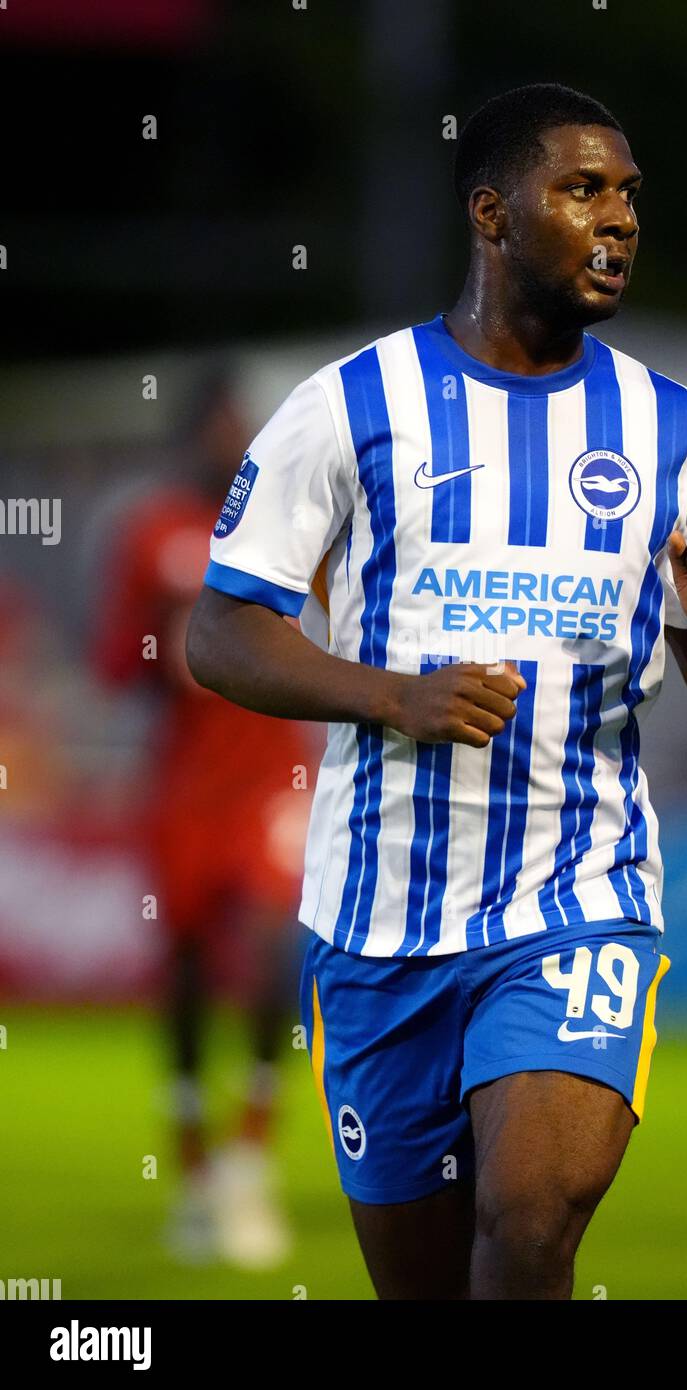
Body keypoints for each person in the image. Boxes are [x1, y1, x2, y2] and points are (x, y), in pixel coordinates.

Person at [185, 83, 687, 1299]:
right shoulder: (350, 404)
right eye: (582, 190)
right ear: (493, 215)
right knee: (428, 1280)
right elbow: (221, 629)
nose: (618, 219)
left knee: (530, 1218)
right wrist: (392, 695)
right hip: (378, 924)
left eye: (628, 195)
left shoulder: (668, 424)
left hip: (577, 898)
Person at [92, 370, 326, 1267]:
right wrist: (163, 648)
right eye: (220, 423)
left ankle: (250, 1159)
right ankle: (194, 1165)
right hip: (183, 787)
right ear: (194, 433)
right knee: (186, 968)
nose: (233, 439)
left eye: (244, 425)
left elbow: (325, 629)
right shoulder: (150, 533)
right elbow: (115, 661)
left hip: (270, 777)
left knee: (274, 953)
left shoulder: (283, 525)